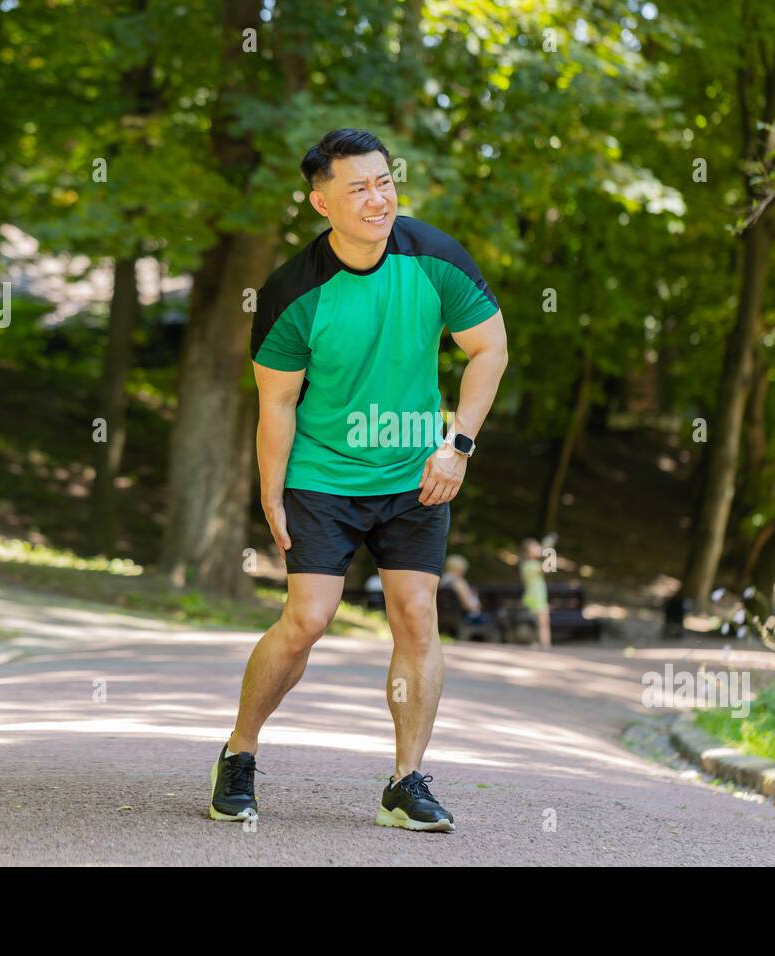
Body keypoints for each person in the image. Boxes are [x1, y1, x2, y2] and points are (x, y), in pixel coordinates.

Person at [209, 128, 509, 833]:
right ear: (321, 202)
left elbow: (490, 346)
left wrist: (457, 446)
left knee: (416, 617)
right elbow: (277, 402)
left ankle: (406, 781)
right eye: (358, 188)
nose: (378, 199)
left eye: (384, 182)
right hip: (323, 473)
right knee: (308, 619)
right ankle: (239, 753)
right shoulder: (292, 292)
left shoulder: (434, 257)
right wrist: (271, 493)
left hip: (415, 471)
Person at [439, 555, 490, 626]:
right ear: (461, 569)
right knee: (490, 618)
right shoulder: (459, 582)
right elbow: (467, 604)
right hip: (461, 618)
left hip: (442, 616)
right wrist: (476, 603)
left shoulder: (441, 580)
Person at [519, 537, 552, 650]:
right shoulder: (530, 565)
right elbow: (548, 568)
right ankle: (545, 645)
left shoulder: (529, 564)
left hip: (535, 596)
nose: (538, 548)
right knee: (543, 622)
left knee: (539, 622)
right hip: (536, 597)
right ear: (528, 552)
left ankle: (542, 644)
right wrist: (549, 552)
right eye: (535, 547)